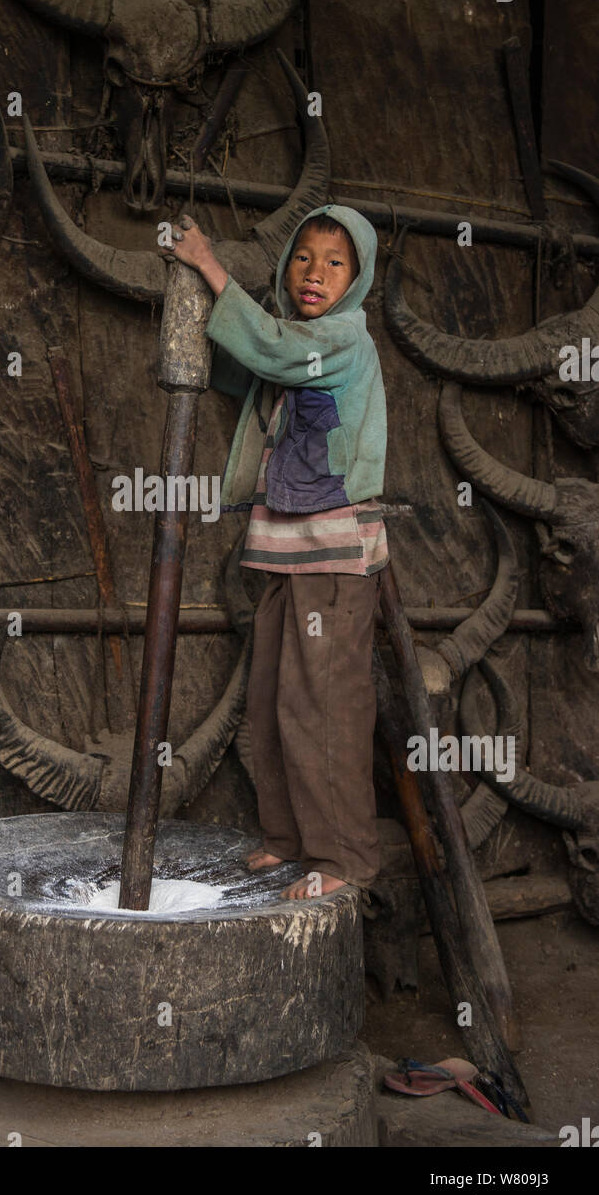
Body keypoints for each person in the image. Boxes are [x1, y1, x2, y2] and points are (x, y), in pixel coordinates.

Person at [167, 204, 388, 899]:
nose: (313, 273)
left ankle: (344, 858)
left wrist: (208, 267)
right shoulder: (293, 341)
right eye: (302, 257)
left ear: (357, 279)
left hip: (331, 561)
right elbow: (248, 368)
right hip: (281, 552)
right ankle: (289, 838)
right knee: (269, 703)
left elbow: (269, 351)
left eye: (334, 262)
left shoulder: (343, 339)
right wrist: (198, 304)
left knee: (324, 706)